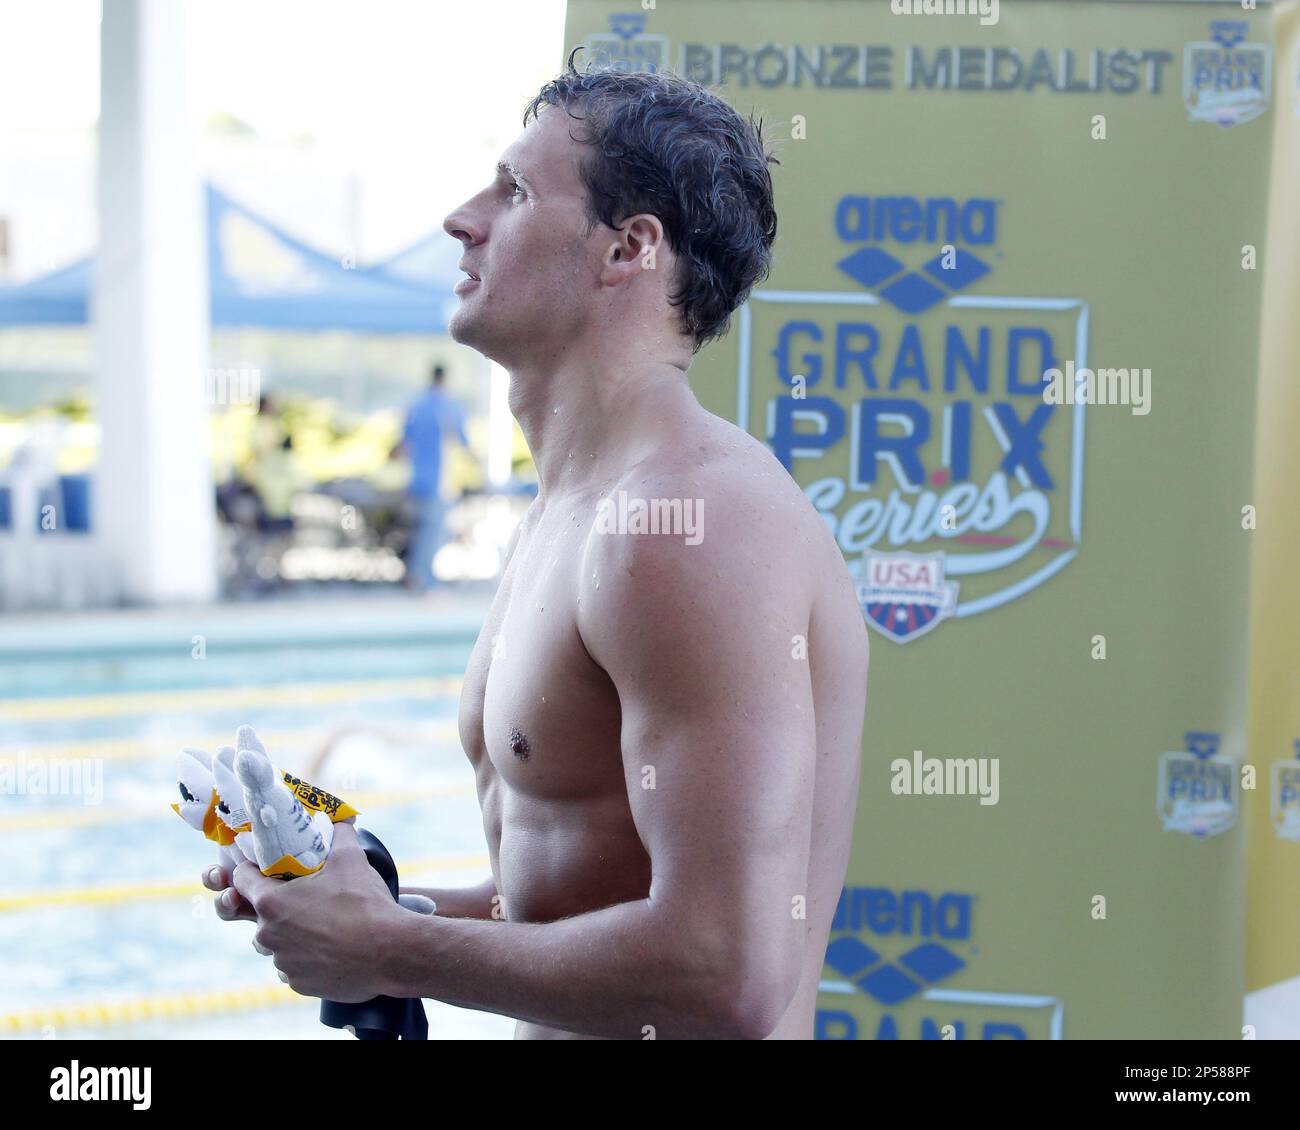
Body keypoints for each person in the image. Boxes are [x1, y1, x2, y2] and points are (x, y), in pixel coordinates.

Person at [204, 53, 869, 1040]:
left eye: (512, 190)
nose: (460, 218)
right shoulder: (570, 512)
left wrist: (388, 948)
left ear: (627, 249)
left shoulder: (691, 522)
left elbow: (728, 974)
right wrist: (353, 912)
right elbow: (563, 909)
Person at [397, 364, 469, 590]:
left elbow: (402, 445)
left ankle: (416, 575)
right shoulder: (447, 407)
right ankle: (425, 581)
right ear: (445, 379)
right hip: (438, 481)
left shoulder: (416, 405)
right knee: (434, 534)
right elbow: (463, 441)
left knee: (422, 532)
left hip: (417, 480)